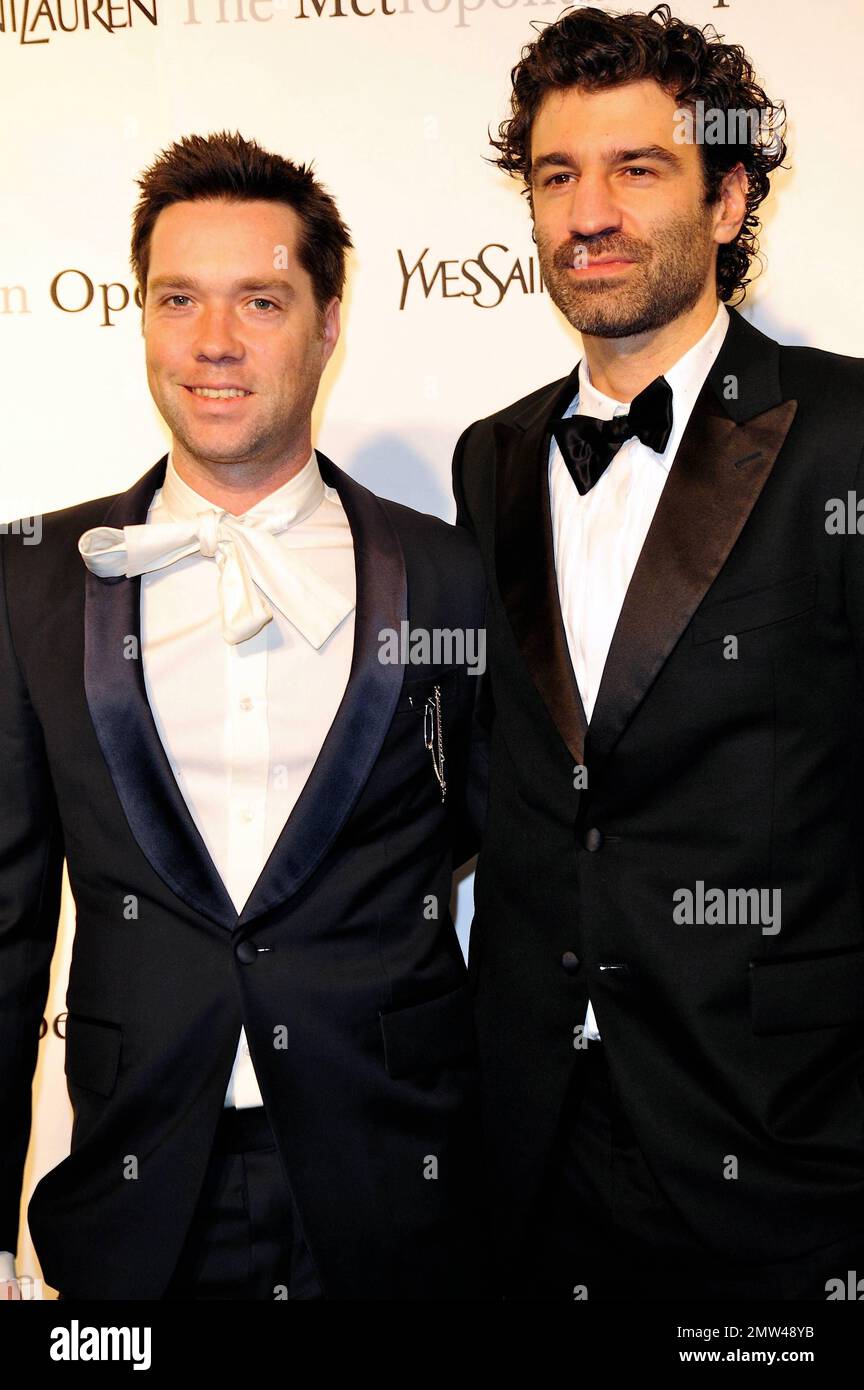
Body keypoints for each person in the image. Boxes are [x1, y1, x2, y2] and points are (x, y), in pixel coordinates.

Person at [0, 130, 489, 1300]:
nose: (214, 342)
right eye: (179, 299)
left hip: (395, 1196)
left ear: (329, 323)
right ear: (144, 318)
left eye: (260, 300)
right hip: (134, 1194)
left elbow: (510, 871)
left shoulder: (451, 575)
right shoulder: (34, 578)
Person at [452, 5, 864, 1300]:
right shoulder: (494, 457)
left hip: (779, 1139)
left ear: (731, 196)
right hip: (530, 1146)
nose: (589, 213)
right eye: (557, 174)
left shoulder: (846, 435)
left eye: (638, 170)